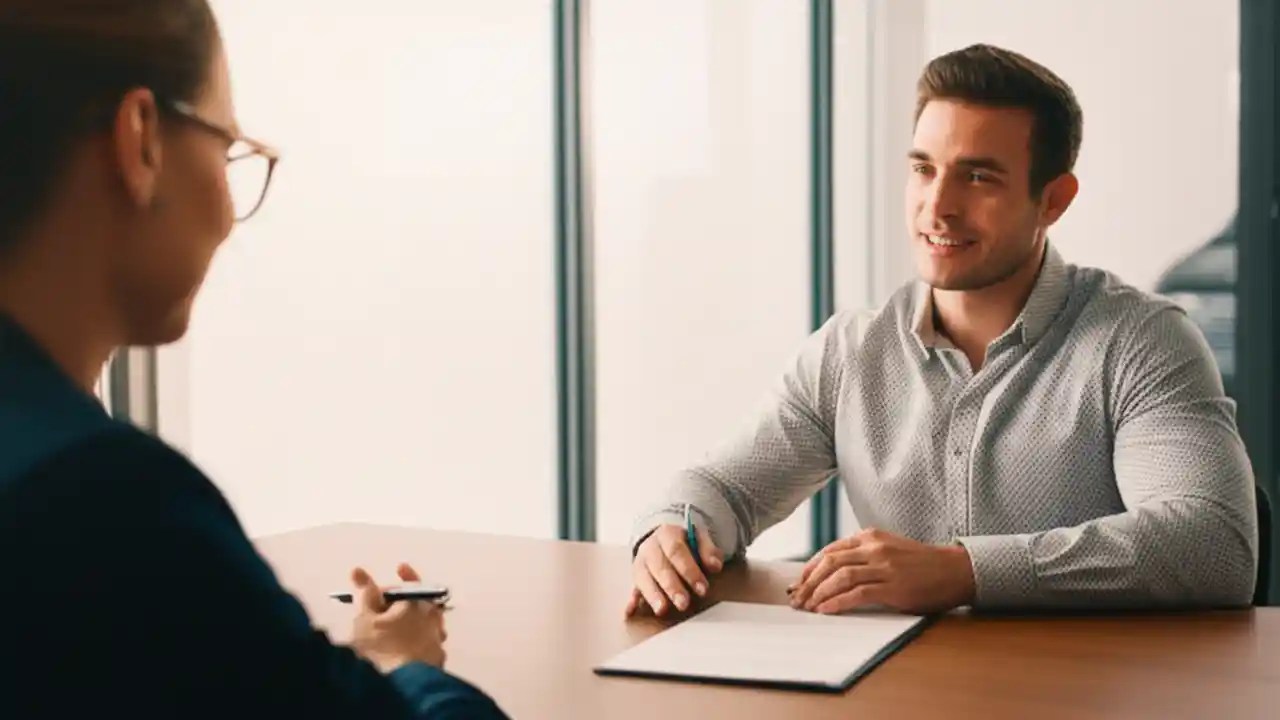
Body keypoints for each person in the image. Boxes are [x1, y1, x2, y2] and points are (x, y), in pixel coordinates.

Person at [626, 43, 1259, 617]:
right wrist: (670, 531)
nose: (938, 206)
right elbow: (723, 488)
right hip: (896, 691)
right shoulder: (850, 352)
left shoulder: (1141, 342)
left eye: (978, 177)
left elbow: (1212, 543)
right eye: (924, 169)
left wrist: (965, 571)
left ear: (1053, 201)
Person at [0, 2, 508, 717]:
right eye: (229, 147)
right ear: (141, 140)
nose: (231, 212)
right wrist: (401, 670)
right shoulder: (103, 504)